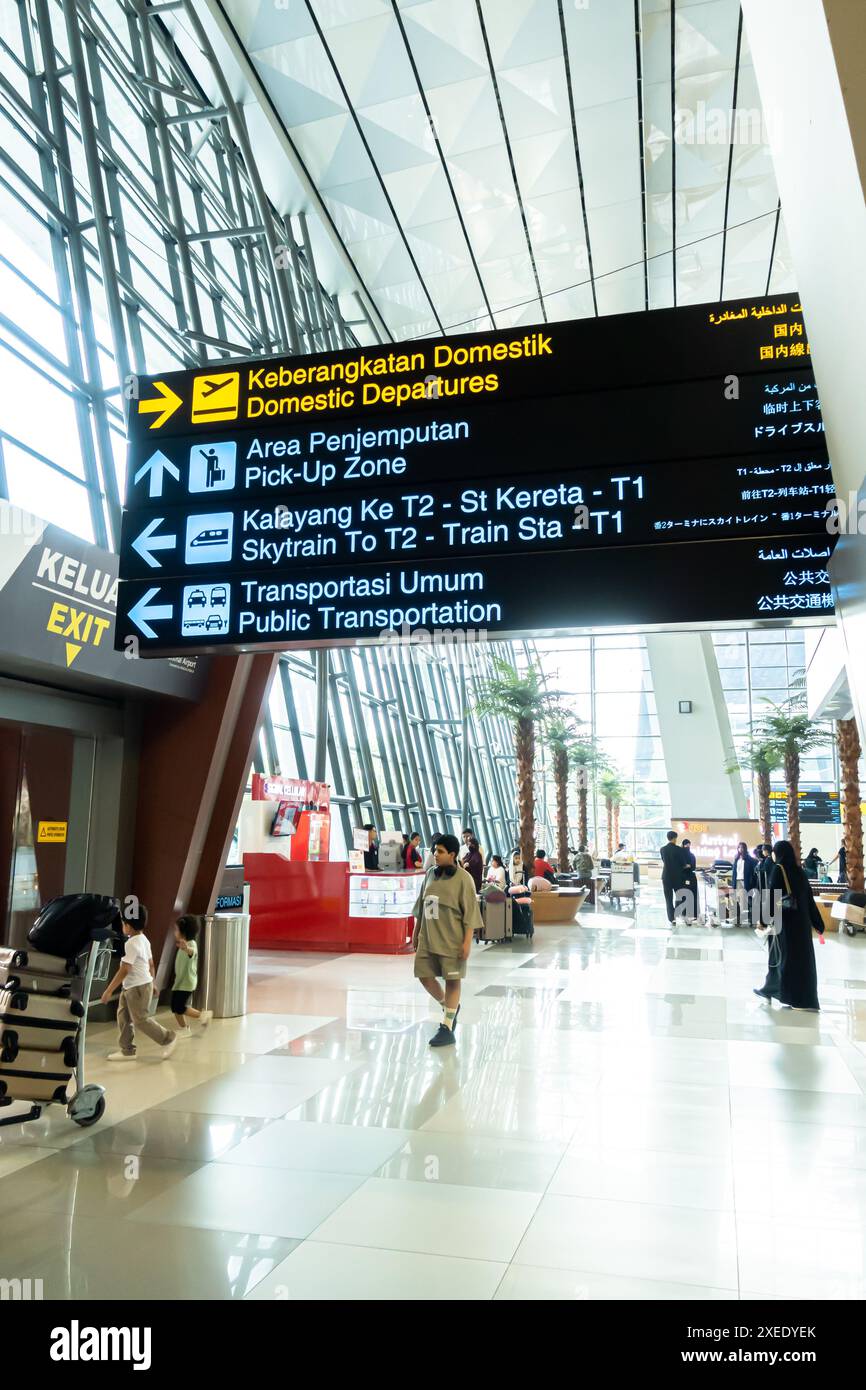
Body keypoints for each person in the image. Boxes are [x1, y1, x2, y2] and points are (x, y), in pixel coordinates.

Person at [412, 833, 482, 1048]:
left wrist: (467, 943)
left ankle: (447, 1026)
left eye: (440, 852)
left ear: (452, 854)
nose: (435, 855)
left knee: (453, 980)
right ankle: (448, 1006)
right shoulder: (430, 874)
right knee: (424, 975)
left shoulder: (464, 879)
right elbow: (421, 906)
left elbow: (470, 912)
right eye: (434, 851)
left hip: (452, 939)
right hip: (428, 937)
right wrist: (416, 932)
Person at [102, 903, 177, 1061]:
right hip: (132, 987)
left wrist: (109, 990)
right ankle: (127, 1050)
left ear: (128, 926)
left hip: (138, 988)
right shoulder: (144, 940)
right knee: (123, 1018)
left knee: (140, 1020)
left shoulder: (130, 944)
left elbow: (125, 969)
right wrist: (153, 982)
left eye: (123, 923)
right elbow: (150, 964)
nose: (122, 926)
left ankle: (168, 1038)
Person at [754, 840, 822, 1010]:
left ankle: (787, 995)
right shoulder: (800, 871)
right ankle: (801, 997)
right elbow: (809, 899)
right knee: (800, 960)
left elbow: (772, 897)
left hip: (785, 923)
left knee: (781, 958)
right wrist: (818, 923)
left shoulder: (779, 870)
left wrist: (763, 921)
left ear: (778, 853)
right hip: (802, 924)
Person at [171, 915, 213, 1036]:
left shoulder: (191, 944)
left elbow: (192, 953)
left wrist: (186, 948)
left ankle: (202, 1015)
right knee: (175, 1007)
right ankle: (184, 1028)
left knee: (179, 1007)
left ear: (183, 932)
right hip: (180, 982)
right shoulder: (183, 944)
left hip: (187, 982)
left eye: (176, 930)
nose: (174, 932)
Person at [660, 830, 688, 924]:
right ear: (675, 838)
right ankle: (677, 913)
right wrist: (686, 865)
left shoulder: (662, 849)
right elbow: (683, 864)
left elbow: (665, 861)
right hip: (677, 877)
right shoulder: (679, 849)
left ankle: (672, 919)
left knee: (668, 899)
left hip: (666, 877)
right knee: (680, 896)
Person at [732, 841, 756, 924]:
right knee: (739, 899)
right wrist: (733, 883)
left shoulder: (749, 859)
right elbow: (734, 872)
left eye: (742, 847)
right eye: (739, 847)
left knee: (747, 899)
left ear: (745, 848)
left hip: (746, 881)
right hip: (738, 881)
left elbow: (753, 871)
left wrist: (751, 881)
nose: (740, 849)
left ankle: (748, 917)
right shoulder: (736, 859)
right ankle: (741, 917)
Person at [681, 838, 699, 922]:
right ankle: (684, 914)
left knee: (693, 895)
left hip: (691, 878)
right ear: (683, 845)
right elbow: (681, 866)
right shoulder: (680, 855)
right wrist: (687, 866)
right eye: (686, 845)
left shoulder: (692, 855)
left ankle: (694, 914)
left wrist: (687, 866)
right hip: (683, 878)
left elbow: (692, 866)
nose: (687, 847)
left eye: (689, 845)